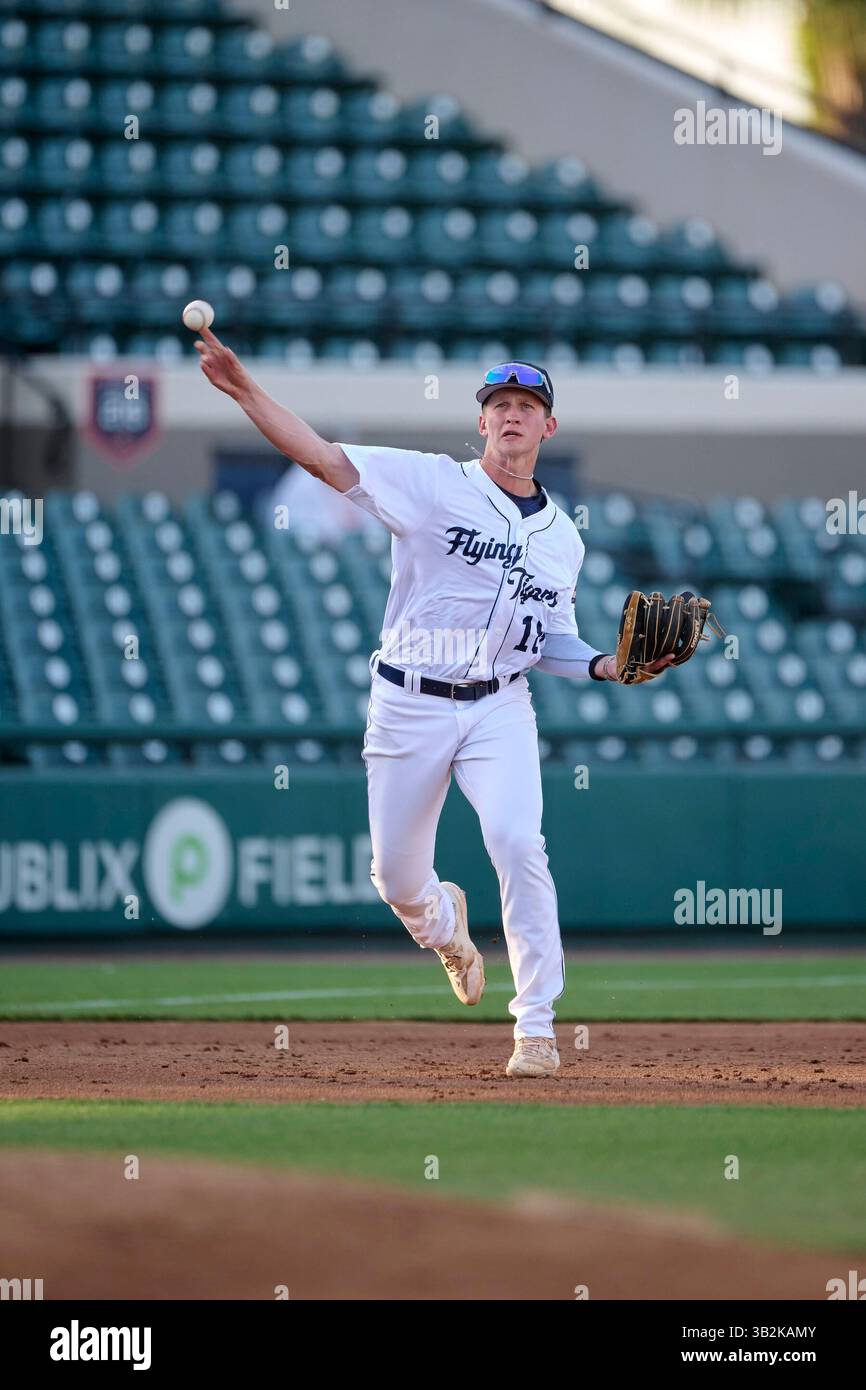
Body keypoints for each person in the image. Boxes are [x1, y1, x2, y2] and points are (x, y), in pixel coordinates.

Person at [194, 339, 671, 1077]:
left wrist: (607, 665)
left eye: (528, 407)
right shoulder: (431, 483)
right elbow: (322, 458)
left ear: (548, 429)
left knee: (519, 843)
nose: (512, 417)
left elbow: (550, 641)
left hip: (498, 707)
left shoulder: (562, 541)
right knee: (395, 880)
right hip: (407, 702)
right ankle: (447, 931)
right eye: (499, 406)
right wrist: (243, 390)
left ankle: (536, 1027)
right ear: (482, 424)